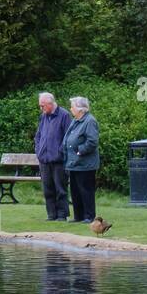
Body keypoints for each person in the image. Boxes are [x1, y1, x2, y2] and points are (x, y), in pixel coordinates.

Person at [62, 96, 100, 224]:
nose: (70, 109)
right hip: (73, 163)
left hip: (85, 164)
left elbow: (92, 141)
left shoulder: (90, 121)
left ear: (80, 109)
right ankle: (78, 216)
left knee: (86, 191)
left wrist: (80, 150)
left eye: (72, 106)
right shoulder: (76, 120)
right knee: (75, 191)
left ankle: (89, 216)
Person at [34, 92, 71, 222]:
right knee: (47, 188)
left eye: (42, 106)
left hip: (59, 161)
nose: (41, 108)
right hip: (44, 159)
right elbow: (38, 136)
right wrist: (38, 151)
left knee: (60, 189)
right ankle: (51, 215)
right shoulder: (43, 116)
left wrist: (59, 152)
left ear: (50, 103)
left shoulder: (64, 115)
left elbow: (68, 137)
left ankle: (62, 215)